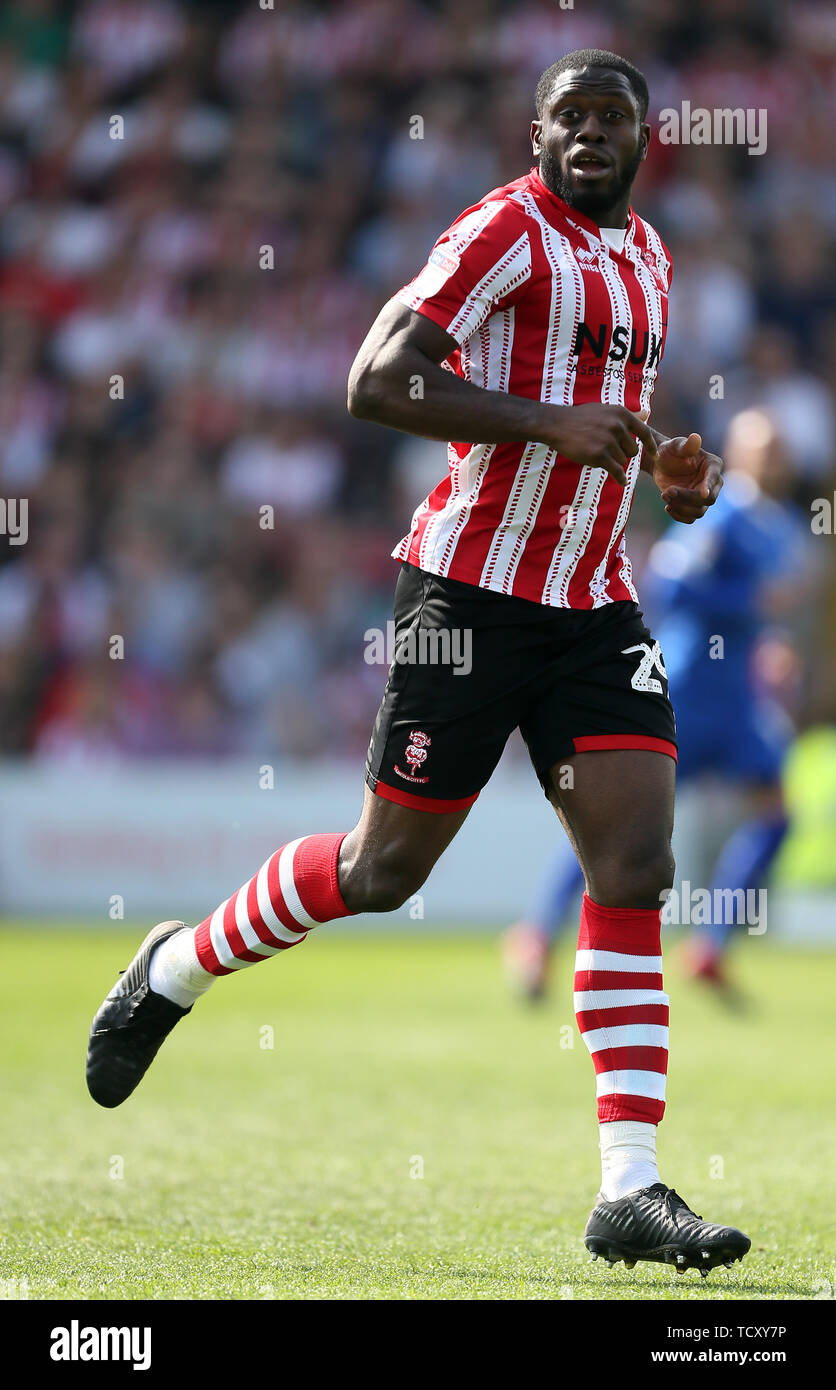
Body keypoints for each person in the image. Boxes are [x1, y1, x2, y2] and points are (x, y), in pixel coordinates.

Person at [86, 49, 749, 1276]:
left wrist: (666, 469)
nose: (591, 137)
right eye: (571, 119)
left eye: (614, 120)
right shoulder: (500, 231)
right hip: (466, 594)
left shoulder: (649, 257)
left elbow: (600, 408)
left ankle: (628, 1186)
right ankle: (174, 963)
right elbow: (375, 381)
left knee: (634, 862)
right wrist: (548, 423)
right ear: (537, 131)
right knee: (381, 869)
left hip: (591, 603)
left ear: (645, 138)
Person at [502, 409, 810, 1005]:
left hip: (740, 701)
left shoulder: (778, 526)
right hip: (689, 690)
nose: (774, 458)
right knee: (619, 829)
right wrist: (751, 600)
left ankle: (711, 945)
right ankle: (537, 931)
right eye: (762, 447)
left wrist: (774, 646)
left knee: (776, 815)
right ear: (740, 453)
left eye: (780, 448)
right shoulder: (718, 514)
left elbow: (763, 612)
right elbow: (670, 585)